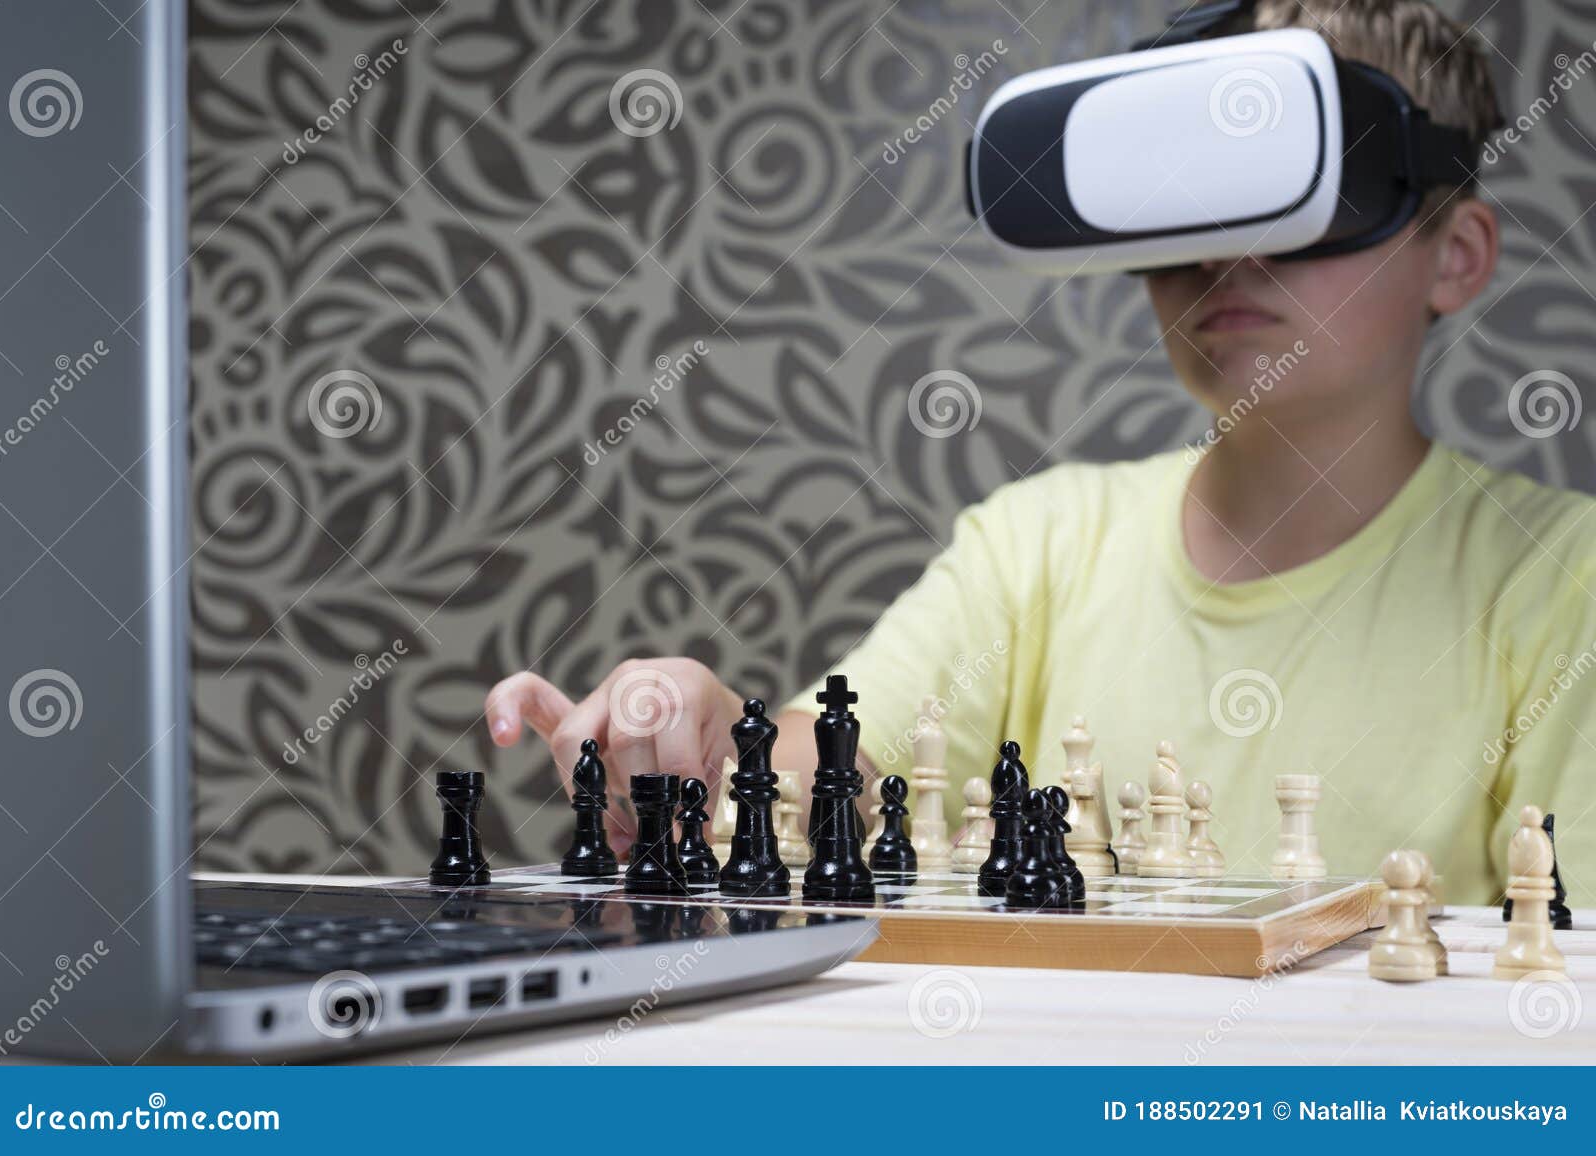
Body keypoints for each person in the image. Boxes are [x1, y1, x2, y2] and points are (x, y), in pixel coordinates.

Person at [485, 0, 1596, 904]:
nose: (1230, 255)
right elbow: (839, 769)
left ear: (1456, 256)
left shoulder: (1564, 584)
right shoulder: (1038, 542)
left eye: (1305, 192)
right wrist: (704, 736)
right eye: (1189, 195)